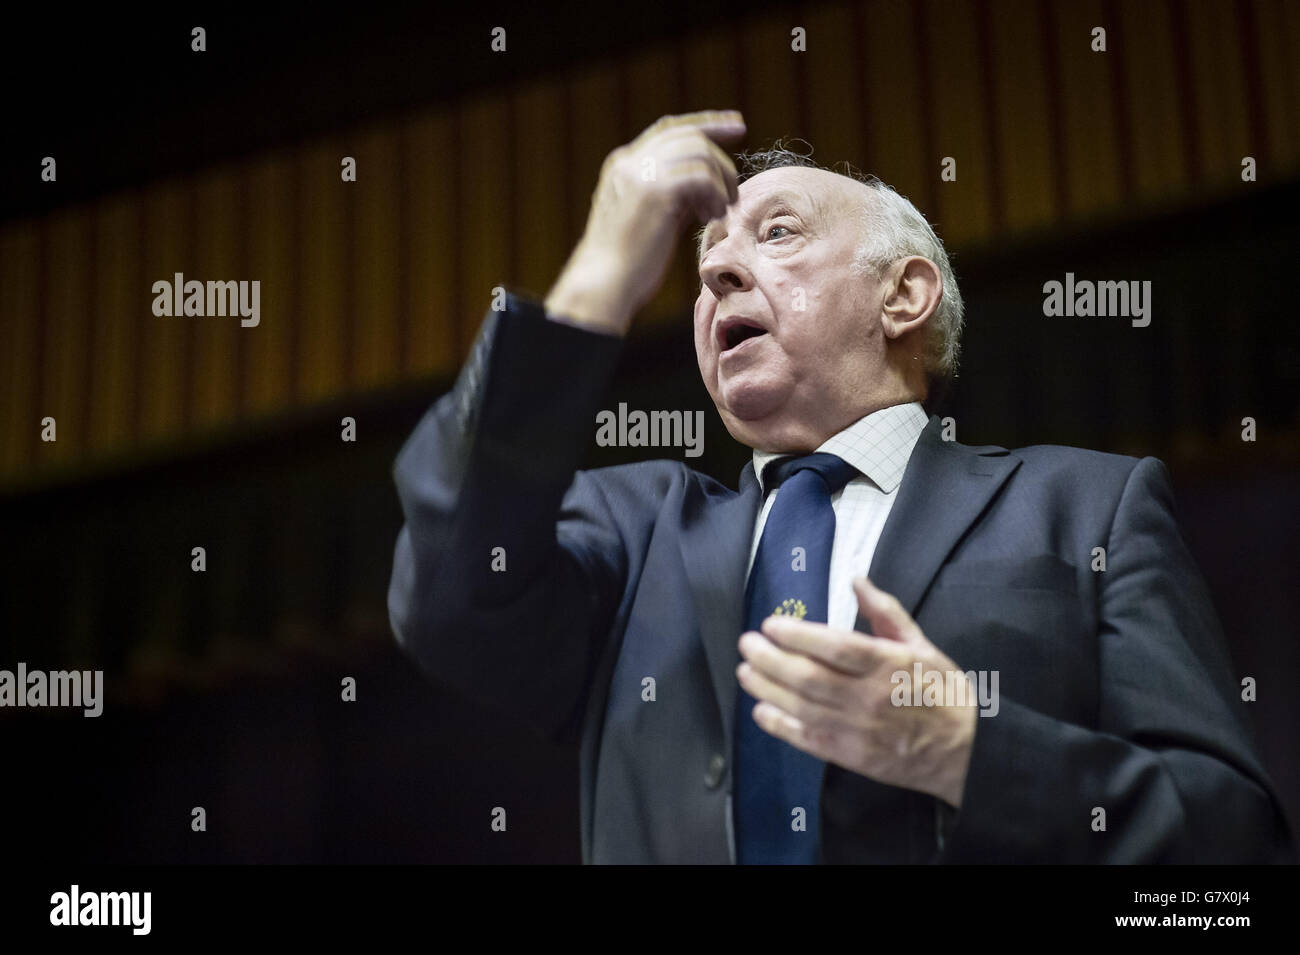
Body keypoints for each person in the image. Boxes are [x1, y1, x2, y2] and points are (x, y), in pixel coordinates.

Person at [387, 110, 1294, 863]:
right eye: (703, 260)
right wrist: (596, 281)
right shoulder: (632, 534)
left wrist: (971, 752)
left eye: (777, 231)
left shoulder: (1090, 506)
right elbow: (448, 601)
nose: (715, 271)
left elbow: (1230, 865)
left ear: (904, 295)